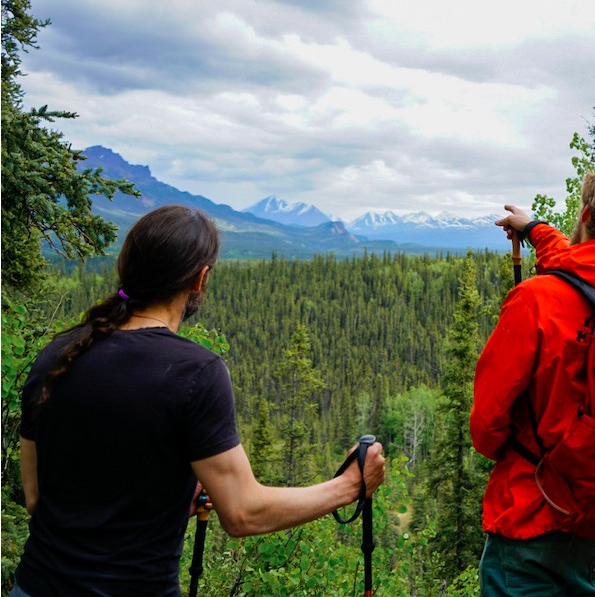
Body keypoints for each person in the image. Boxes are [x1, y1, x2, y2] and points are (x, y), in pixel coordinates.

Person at [14, 204, 385, 597]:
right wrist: (349, 486)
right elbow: (243, 514)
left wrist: (164, 498)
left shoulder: (55, 356)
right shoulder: (196, 372)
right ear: (199, 278)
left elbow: (39, 498)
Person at [470, 164, 595, 596]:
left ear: (587, 216)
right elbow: (591, 274)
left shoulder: (535, 301)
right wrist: (537, 229)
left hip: (528, 521)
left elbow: (485, 430)